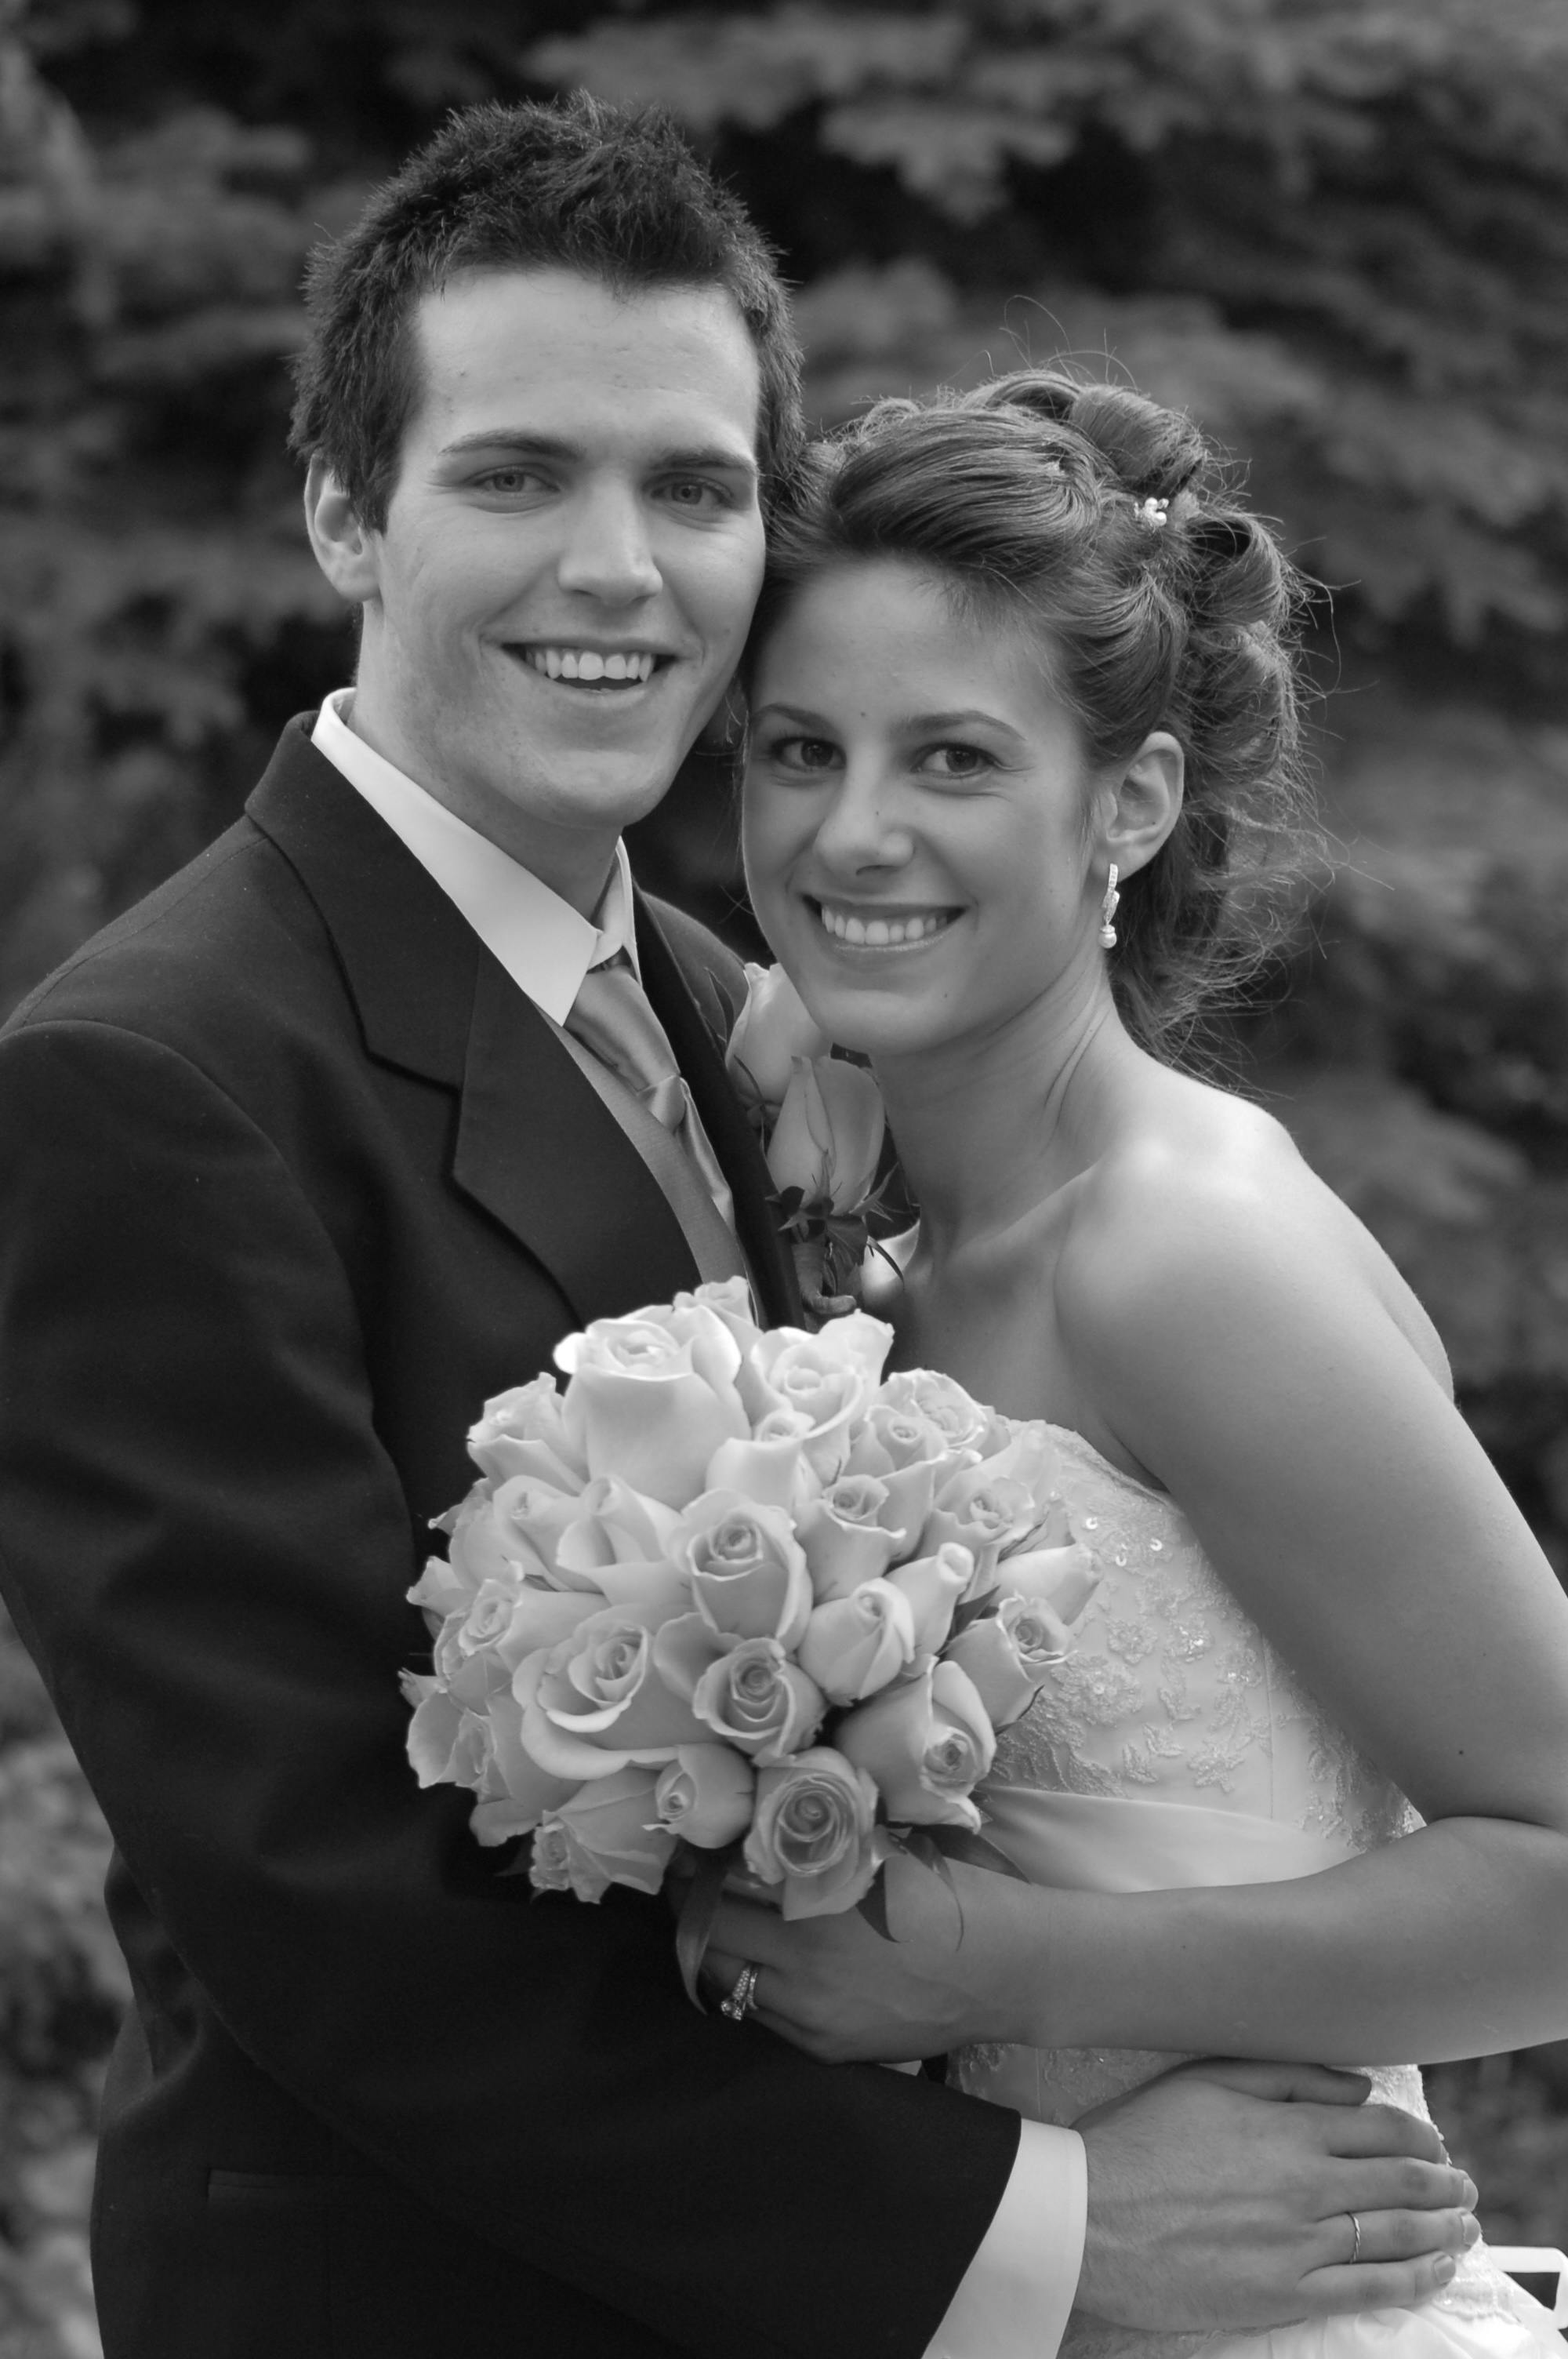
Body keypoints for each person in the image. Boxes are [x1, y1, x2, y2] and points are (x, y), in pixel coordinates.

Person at [0, 100, 1478, 2359]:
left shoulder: (740, 1013)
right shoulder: (154, 1077)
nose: (618, 567)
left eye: (692, 488)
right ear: (340, 512)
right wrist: (1043, 2229)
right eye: (515, 475)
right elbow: (333, 1920)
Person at [710, 371, 1568, 2353]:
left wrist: (1003, 1964)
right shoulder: (883, 1267)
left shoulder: (1182, 1251)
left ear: (1134, 801)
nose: (854, 831)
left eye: (949, 759)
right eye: (795, 748)